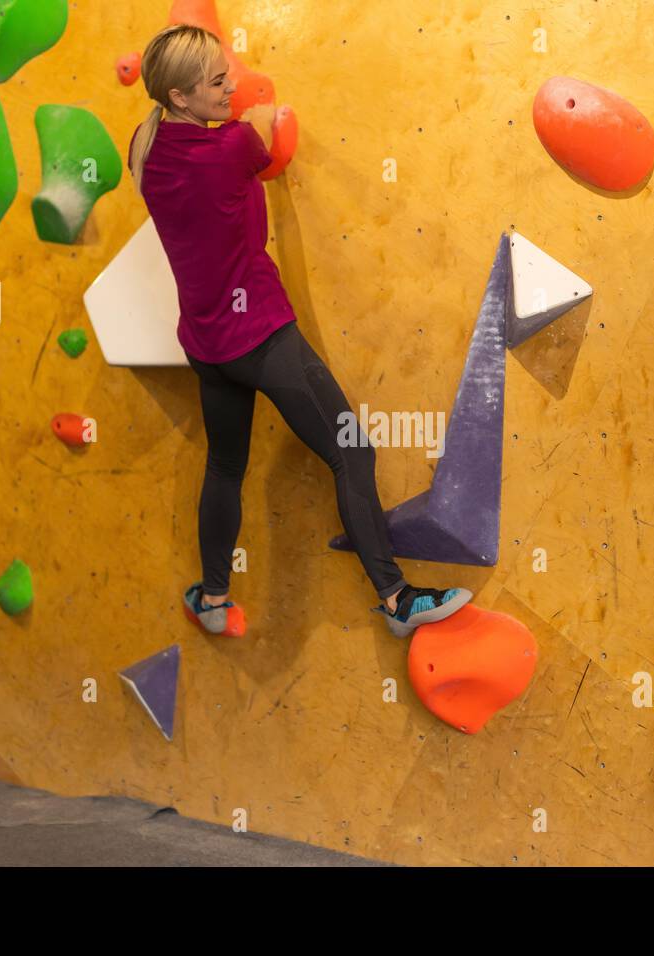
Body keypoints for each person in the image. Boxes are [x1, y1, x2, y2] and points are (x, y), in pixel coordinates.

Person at [127, 25, 471, 639]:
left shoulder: (146, 146)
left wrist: (237, 109)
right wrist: (261, 112)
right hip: (259, 336)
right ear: (179, 97)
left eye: (226, 72)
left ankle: (211, 595)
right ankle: (396, 600)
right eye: (214, 81)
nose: (230, 84)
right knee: (352, 449)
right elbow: (268, 148)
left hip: (205, 344)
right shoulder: (231, 146)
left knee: (227, 465)